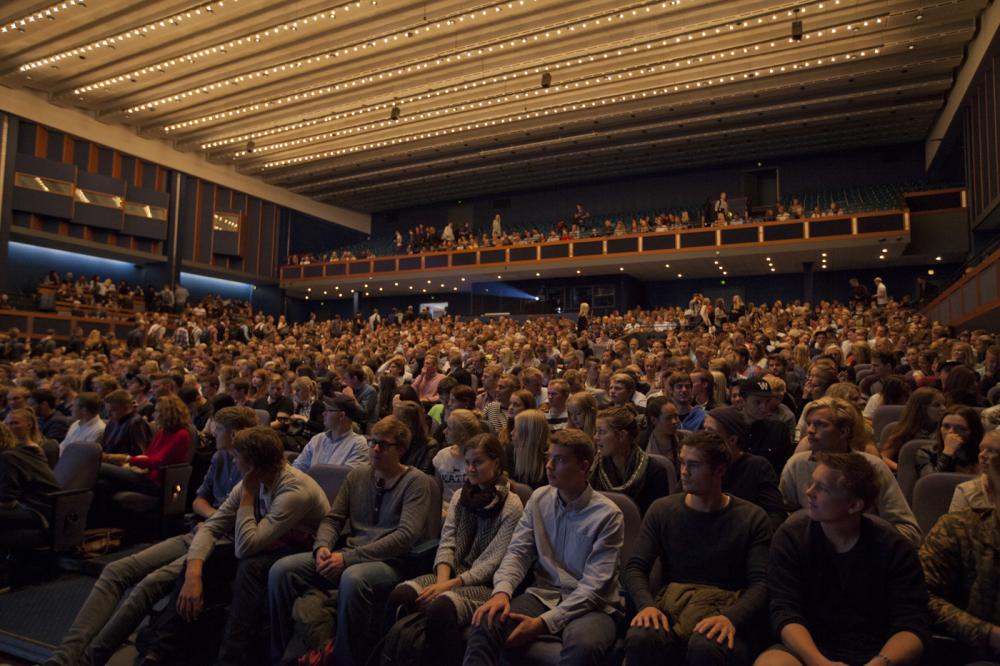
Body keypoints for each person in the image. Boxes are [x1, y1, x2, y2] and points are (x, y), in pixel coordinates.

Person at [47, 407, 258, 666]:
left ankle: (89, 660)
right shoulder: (220, 458)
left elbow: (248, 523)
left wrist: (215, 522)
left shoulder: (255, 466)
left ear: (235, 433)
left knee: (148, 584)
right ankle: (62, 659)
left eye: (219, 429)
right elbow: (198, 501)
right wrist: (215, 517)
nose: (212, 433)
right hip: (201, 531)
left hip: (222, 544)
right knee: (115, 571)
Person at [137, 426, 330, 665]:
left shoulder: (294, 490)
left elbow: (245, 547)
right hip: (270, 543)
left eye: (237, 458)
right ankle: (158, 652)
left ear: (252, 465)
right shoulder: (253, 480)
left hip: (303, 552)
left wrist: (248, 497)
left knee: (249, 567)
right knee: (203, 560)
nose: (234, 462)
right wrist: (193, 575)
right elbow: (211, 527)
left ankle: (231, 659)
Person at [268, 416, 433, 666]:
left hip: (390, 561)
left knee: (353, 578)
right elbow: (333, 519)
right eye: (372, 442)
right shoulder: (358, 475)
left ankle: (344, 659)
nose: (375, 449)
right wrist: (321, 547)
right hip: (346, 554)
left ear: (400, 449)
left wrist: (347, 558)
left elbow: (405, 536)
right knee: (281, 571)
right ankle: (283, 655)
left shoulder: (416, 482)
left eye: (384, 445)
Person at [464, 428, 624, 666]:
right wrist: (502, 592)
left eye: (559, 460)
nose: (549, 466)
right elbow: (518, 552)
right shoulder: (540, 499)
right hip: (544, 595)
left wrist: (543, 623)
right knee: (486, 620)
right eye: (548, 457)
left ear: (583, 467)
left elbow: (594, 588)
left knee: (583, 647)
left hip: (593, 607)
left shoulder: (608, 515)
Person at [756, 452, 929, 666]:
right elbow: (785, 611)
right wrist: (819, 662)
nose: (809, 492)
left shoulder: (893, 546)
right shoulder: (792, 536)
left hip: (878, 650)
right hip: (808, 646)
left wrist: (879, 662)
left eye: (822, 488)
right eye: (812, 483)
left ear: (854, 506)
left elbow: (911, 624)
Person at [624, 430, 771, 666]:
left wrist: (730, 618)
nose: (684, 471)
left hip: (724, 607)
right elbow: (635, 567)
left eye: (693, 465)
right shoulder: (662, 510)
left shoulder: (751, 518)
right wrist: (647, 606)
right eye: (682, 462)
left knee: (706, 645)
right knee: (643, 636)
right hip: (675, 606)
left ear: (720, 470)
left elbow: (761, 583)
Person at [382, 433, 523, 666]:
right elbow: (447, 541)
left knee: (442, 606)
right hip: (451, 575)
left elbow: (493, 562)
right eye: (467, 463)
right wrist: (441, 581)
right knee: (401, 595)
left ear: (496, 462)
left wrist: (446, 587)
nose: (470, 468)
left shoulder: (512, 504)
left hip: (486, 585)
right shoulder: (461, 496)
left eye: (478, 462)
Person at [780, 396, 921, 546]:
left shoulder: (873, 467)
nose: (810, 430)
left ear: (844, 431)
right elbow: (783, 517)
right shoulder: (796, 464)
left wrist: (857, 543)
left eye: (820, 425)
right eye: (809, 424)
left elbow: (909, 530)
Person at [920, 433, 1000, 664]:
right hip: (974, 652)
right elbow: (922, 594)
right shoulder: (958, 529)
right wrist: (988, 634)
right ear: (991, 494)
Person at [705, 407, 787, 532]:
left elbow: (775, 515)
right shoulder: (702, 464)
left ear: (732, 440)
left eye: (710, 432)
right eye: (703, 430)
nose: (703, 437)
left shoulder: (757, 467)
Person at [589, 405, 671, 515]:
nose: (595, 437)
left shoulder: (654, 471)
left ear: (622, 435)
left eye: (602, 432)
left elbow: (656, 518)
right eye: (596, 432)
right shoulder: (594, 468)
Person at [0, 421, 58, 531]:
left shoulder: (7, 458)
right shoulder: (14, 453)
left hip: (37, 512)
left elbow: (7, 502)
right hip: (35, 507)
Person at [293, 394, 369, 470]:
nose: (323, 413)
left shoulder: (358, 444)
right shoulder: (317, 439)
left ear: (342, 415)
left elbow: (350, 478)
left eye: (328, 410)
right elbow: (298, 467)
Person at [880, 387, 947, 472]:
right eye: (937, 405)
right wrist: (902, 470)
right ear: (921, 409)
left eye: (944, 404)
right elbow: (882, 457)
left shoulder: (945, 430)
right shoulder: (906, 431)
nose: (944, 408)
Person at [739, 379, 794, 475]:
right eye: (757, 402)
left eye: (767, 402)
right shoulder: (732, 427)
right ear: (743, 401)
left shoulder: (778, 430)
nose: (764, 407)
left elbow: (783, 468)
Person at [432, 408, 482, 509]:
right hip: (443, 511)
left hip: (469, 509)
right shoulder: (442, 455)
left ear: (462, 434)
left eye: (449, 428)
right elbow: (436, 493)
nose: (444, 431)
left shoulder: (479, 459)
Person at [915, 405, 984, 477]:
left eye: (961, 428)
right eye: (946, 426)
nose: (951, 432)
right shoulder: (926, 452)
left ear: (973, 432)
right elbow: (931, 482)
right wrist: (947, 453)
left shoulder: (983, 453)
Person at [950, 429, 1000, 511]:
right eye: (981, 449)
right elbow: (952, 523)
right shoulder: (966, 491)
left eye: (991, 451)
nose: (982, 455)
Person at [100, 389, 153, 457]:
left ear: (127, 407)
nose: (108, 414)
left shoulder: (136, 423)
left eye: (112, 411)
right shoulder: (112, 422)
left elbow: (139, 453)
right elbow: (104, 446)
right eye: (107, 411)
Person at [392, 399, 439, 474]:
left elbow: (423, 475)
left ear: (409, 423)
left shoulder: (430, 446)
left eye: (396, 419)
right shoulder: (393, 440)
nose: (392, 422)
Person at [510, 409, 549, 489]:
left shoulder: (548, 466)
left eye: (516, 429)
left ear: (528, 435)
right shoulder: (510, 452)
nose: (511, 433)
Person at [344, 364, 378, 432]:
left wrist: (352, 398)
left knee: (345, 424)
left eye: (346, 378)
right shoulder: (351, 389)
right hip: (353, 420)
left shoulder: (370, 391)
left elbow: (364, 413)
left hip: (364, 425)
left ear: (355, 379)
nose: (345, 381)